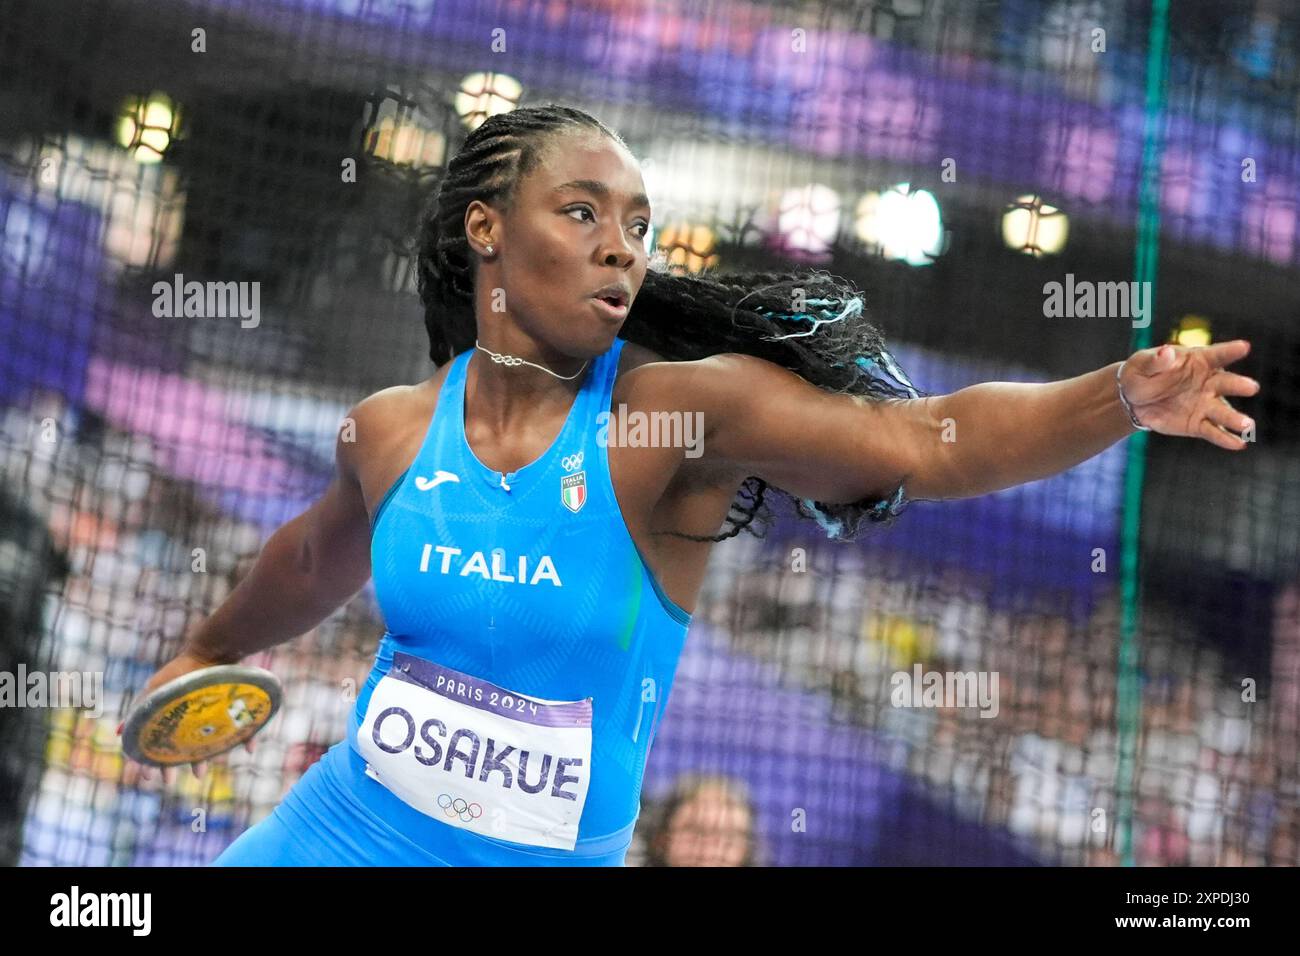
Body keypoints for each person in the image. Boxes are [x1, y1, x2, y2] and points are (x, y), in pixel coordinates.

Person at [121, 104, 1260, 866]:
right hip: (342, 827)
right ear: (484, 228)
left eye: (638, 226)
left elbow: (934, 441)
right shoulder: (390, 428)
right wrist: (206, 646)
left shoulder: (672, 420)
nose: (623, 247)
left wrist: (1117, 394)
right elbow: (319, 555)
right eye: (583, 213)